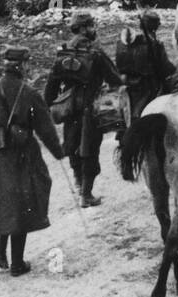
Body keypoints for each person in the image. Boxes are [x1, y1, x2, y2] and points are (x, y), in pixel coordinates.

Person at [0, 47, 65, 276]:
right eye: (27, 63)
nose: (29, 66)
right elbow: (45, 128)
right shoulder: (29, 93)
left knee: (5, 203)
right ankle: (16, 263)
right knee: (23, 206)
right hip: (25, 158)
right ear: (21, 66)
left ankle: (1, 249)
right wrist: (58, 152)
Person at [44, 10, 123, 207]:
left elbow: (52, 83)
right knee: (89, 148)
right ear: (86, 28)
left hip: (69, 107)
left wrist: (49, 104)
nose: (94, 29)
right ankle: (86, 194)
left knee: (71, 145)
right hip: (91, 106)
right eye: (91, 25)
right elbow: (114, 78)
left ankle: (79, 185)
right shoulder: (95, 53)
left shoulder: (63, 52)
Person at [114, 10, 175, 152]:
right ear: (156, 27)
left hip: (128, 87)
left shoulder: (123, 43)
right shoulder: (155, 44)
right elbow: (166, 68)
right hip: (148, 87)